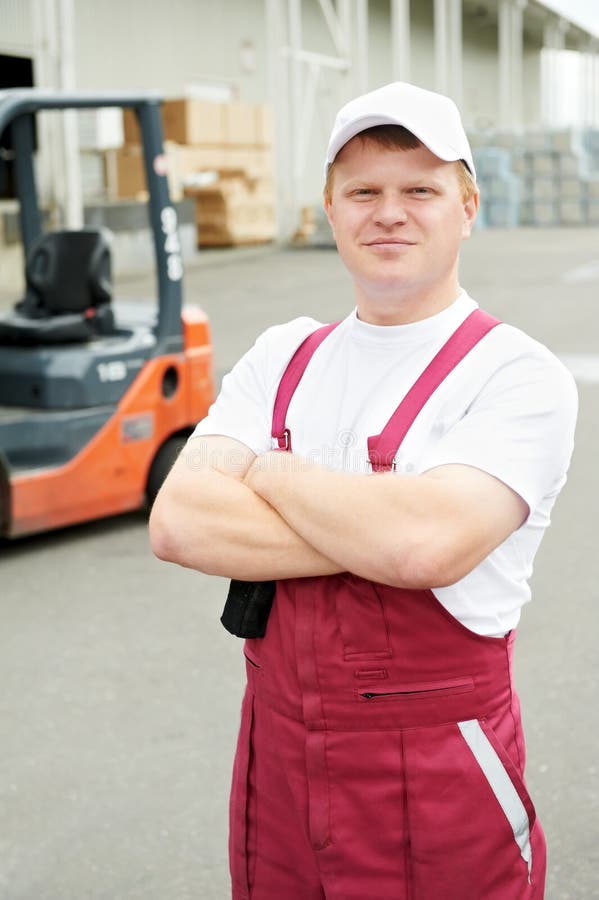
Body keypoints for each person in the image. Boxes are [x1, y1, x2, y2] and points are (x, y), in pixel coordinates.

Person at [149, 81, 578, 899]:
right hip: (275, 756)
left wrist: (271, 471)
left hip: (438, 765)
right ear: (328, 209)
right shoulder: (285, 353)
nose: (389, 212)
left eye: (419, 189)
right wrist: (378, 523)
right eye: (363, 191)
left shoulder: (516, 375)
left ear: (466, 206)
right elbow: (180, 522)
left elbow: (426, 547)